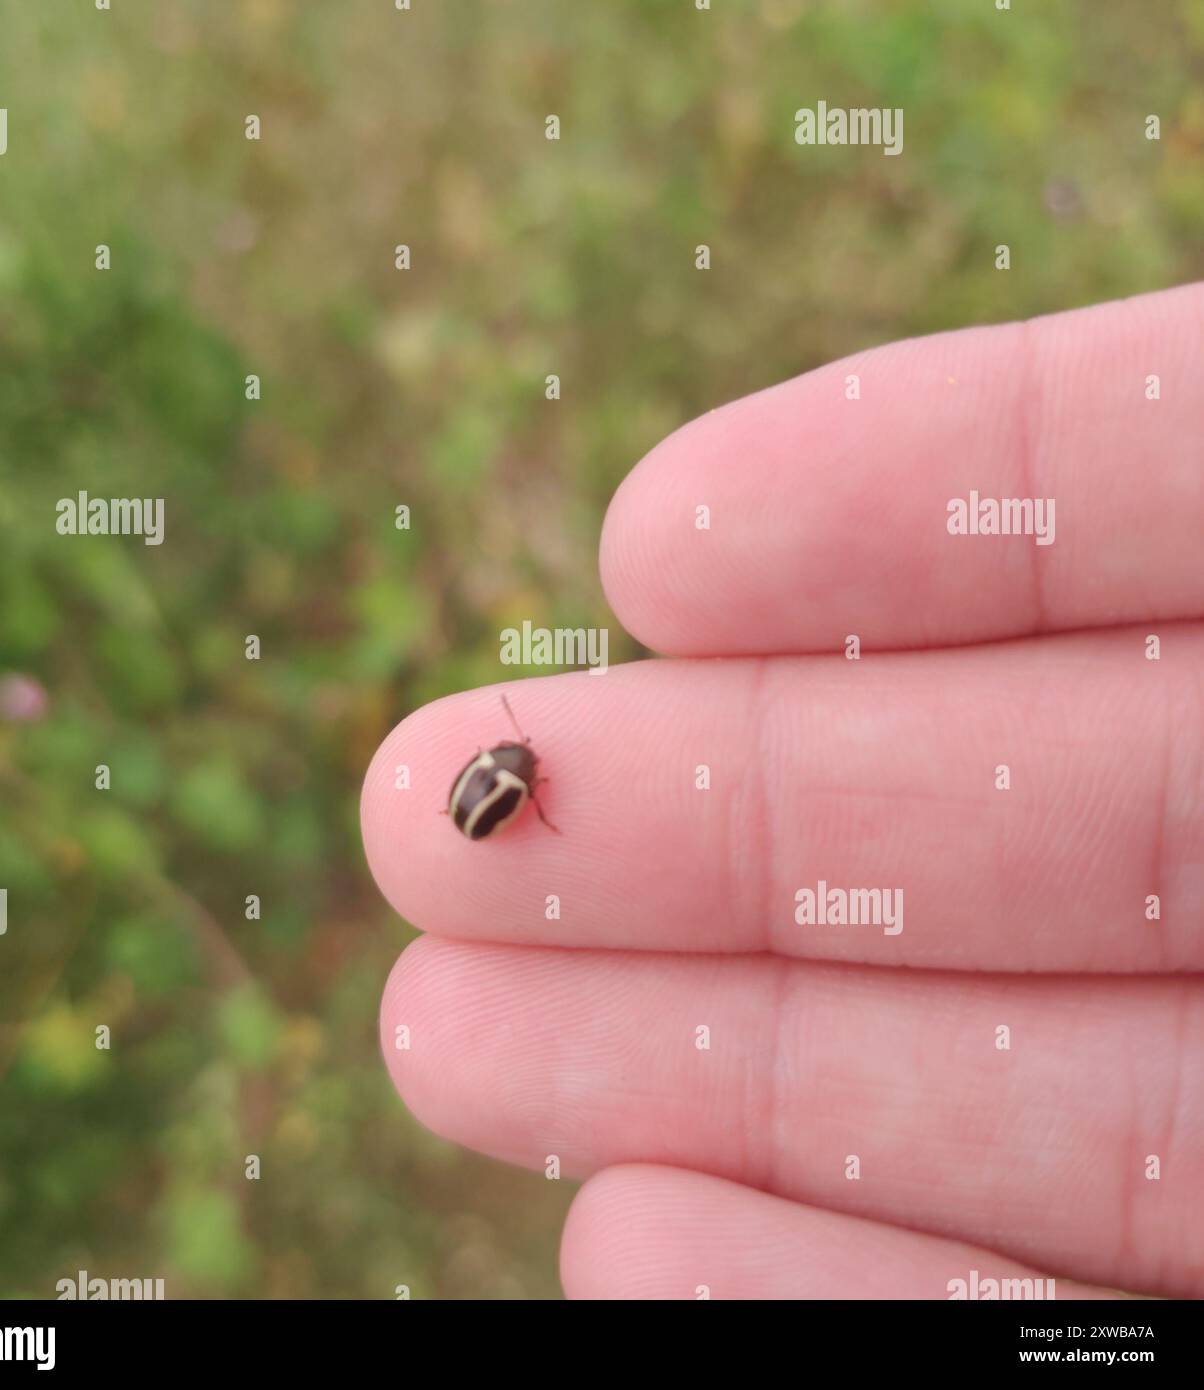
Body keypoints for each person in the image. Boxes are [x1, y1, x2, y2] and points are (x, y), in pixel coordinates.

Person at [362, 283, 1202, 1299]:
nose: (524, 767)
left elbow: (490, 795)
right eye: (522, 769)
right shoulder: (513, 781)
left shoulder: (514, 781)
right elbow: (488, 794)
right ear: (519, 774)